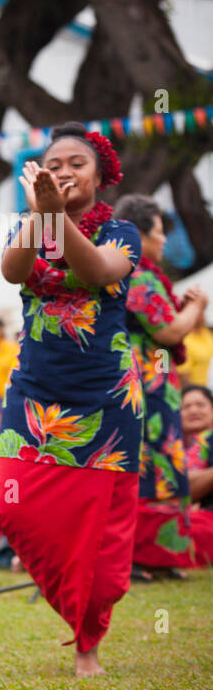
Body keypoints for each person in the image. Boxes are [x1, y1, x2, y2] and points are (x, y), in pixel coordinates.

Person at [0, 122, 143, 678]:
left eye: (78, 162)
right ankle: (70, 608)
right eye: (55, 162)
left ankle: (87, 640)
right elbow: (12, 271)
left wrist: (56, 217)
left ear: (101, 175)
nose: (66, 171)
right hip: (35, 390)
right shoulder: (29, 225)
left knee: (102, 529)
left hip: (106, 395)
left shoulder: (122, 231)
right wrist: (41, 214)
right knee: (11, 507)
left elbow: (97, 270)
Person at [116, 193, 207, 577]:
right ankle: (135, 557)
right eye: (158, 231)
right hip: (142, 387)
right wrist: (196, 308)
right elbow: (169, 331)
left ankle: (162, 557)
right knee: (145, 467)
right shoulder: (136, 274)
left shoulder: (143, 274)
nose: (164, 239)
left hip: (157, 385)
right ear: (137, 234)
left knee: (164, 466)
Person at [181, 384, 213, 565]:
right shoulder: (170, 448)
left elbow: (183, 488)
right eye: (186, 407)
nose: (194, 410)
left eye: (200, 405)